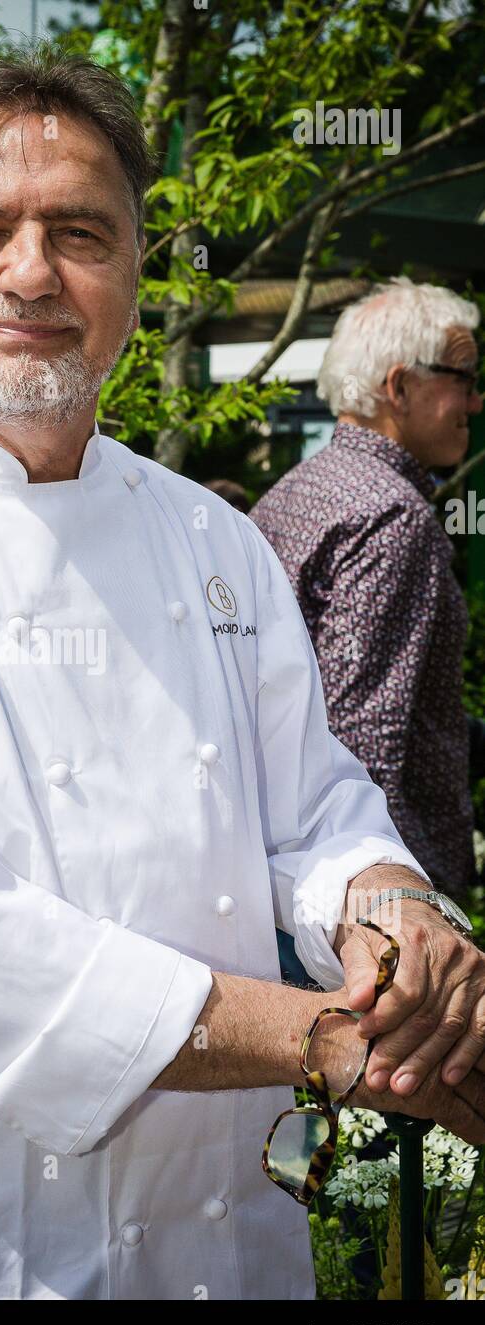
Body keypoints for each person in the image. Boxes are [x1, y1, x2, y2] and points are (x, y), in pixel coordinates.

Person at [0, 51, 485, 1302]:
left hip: (212, 1257)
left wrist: (399, 920)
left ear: (132, 270)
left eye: (78, 232)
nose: (29, 272)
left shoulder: (212, 540)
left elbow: (316, 810)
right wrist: (330, 1039)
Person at [251, 278, 483, 902]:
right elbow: (363, 739)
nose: (477, 402)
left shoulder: (301, 487)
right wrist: (390, 906)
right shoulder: (392, 515)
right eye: (464, 378)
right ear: (399, 386)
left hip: (287, 876)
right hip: (377, 902)